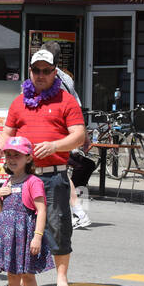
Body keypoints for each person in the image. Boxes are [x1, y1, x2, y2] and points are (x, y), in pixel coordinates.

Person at [0, 48, 85, 286]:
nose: (41, 75)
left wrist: (55, 146)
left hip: (53, 175)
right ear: (30, 72)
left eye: (46, 70)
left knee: (57, 225)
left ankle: (61, 280)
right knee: (23, 227)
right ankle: (19, 279)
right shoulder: (20, 101)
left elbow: (79, 135)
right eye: (36, 70)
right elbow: (7, 133)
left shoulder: (66, 101)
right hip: (23, 176)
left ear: (55, 72)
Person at [0, 137, 52, 286]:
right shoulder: (8, 180)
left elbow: (41, 210)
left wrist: (37, 237)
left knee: (28, 277)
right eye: (8, 155)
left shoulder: (33, 182)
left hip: (26, 235)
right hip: (9, 236)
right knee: (12, 277)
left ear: (28, 158)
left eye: (17, 155)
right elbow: (3, 210)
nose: (12, 159)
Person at [42, 40, 91, 230]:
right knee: (58, 172)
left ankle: (78, 212)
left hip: (56, 131)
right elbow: (77, 107)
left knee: (58, 172)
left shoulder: (52, 79)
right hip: (68, 132)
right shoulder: (67, 78)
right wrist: (83, 135)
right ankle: (70, 213)